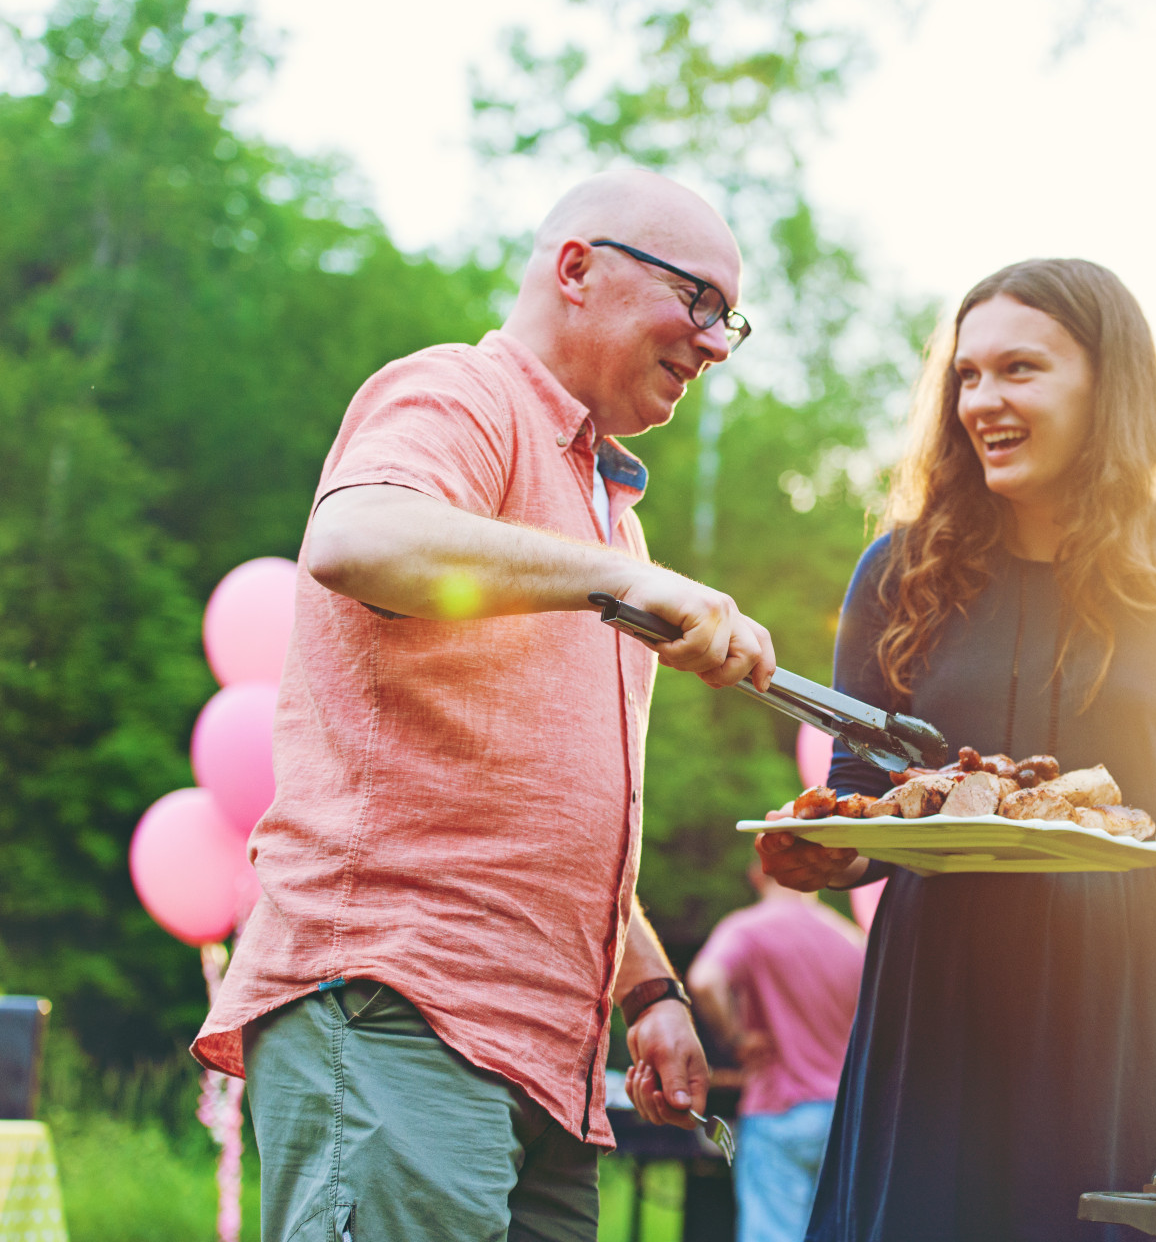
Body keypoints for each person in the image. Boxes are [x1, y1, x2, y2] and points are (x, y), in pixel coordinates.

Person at [193, 170, 776, 1242]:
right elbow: (358, 537)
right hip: (396, 1013)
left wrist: (648, 990)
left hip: (550, 1068)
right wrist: (632, 585)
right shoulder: (460, 393)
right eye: (697, 300)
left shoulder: (613, 527)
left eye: (728, 317)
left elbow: (544, 802)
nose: (715, 343)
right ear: (576, 269)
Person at [756, 258, 1156, 1241]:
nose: (982, 401)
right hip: (945, 997)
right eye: (967, 375)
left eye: (1019, 370)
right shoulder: (899, 570)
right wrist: (831, 845)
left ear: (1108, 383)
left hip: (1136, 989)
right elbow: (863, 789)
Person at [688, 862, 865, 1242]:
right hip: (843, 1121)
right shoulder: (852, 939)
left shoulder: (747, 928)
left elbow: (704, 981)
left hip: (778, 1113)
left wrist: (735, 1038)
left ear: (757, 874)